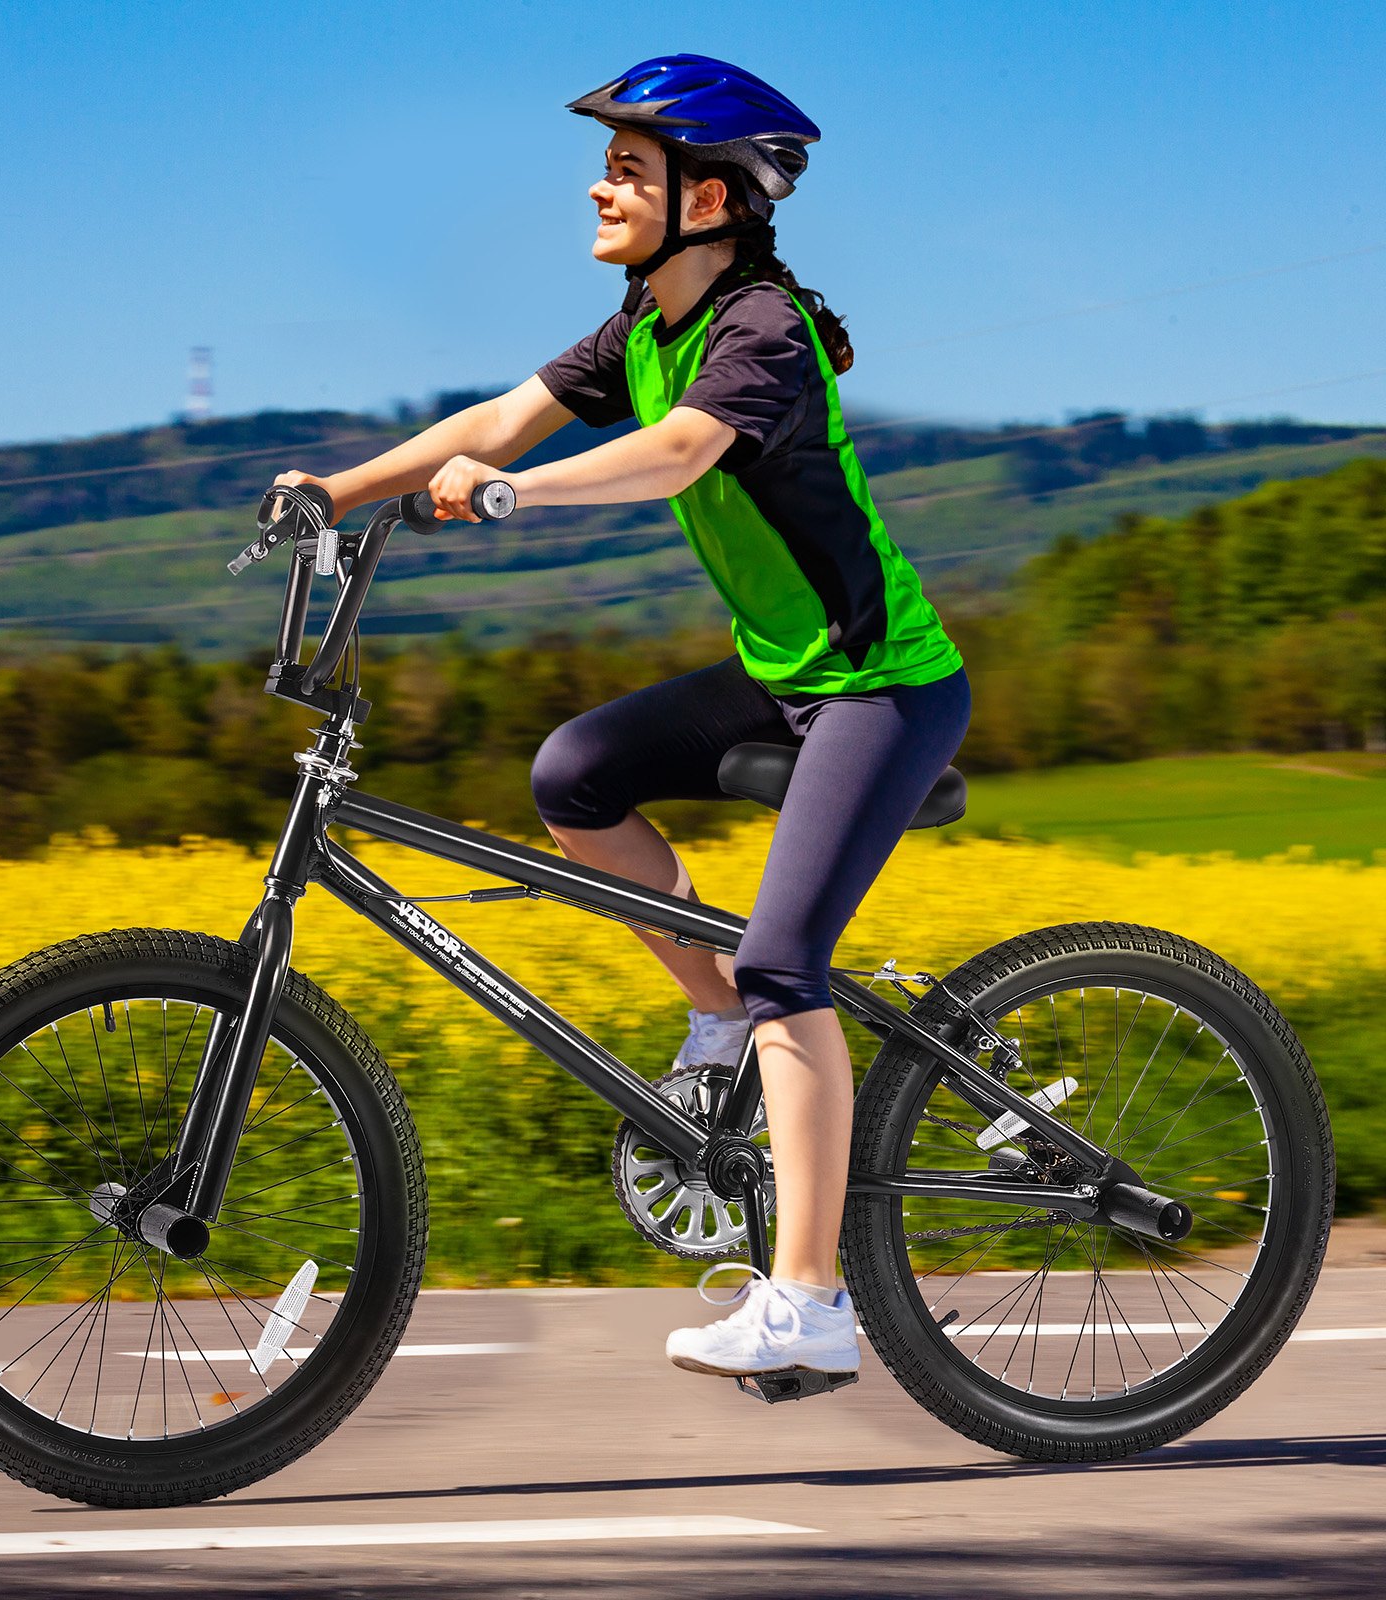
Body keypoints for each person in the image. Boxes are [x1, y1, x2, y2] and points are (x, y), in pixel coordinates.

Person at [275, 53, 971, 1380]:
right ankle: (717, 1027)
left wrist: (515, 499)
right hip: (783, 672)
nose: (602, 188)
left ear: (709, 197)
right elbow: (503, 416)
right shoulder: (640, 329)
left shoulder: (755, 329)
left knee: (786, 970)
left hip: (881, 689)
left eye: (630, 170)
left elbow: (680, 453)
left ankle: (814, 1303)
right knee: (577, 774)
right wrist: (341, 489)